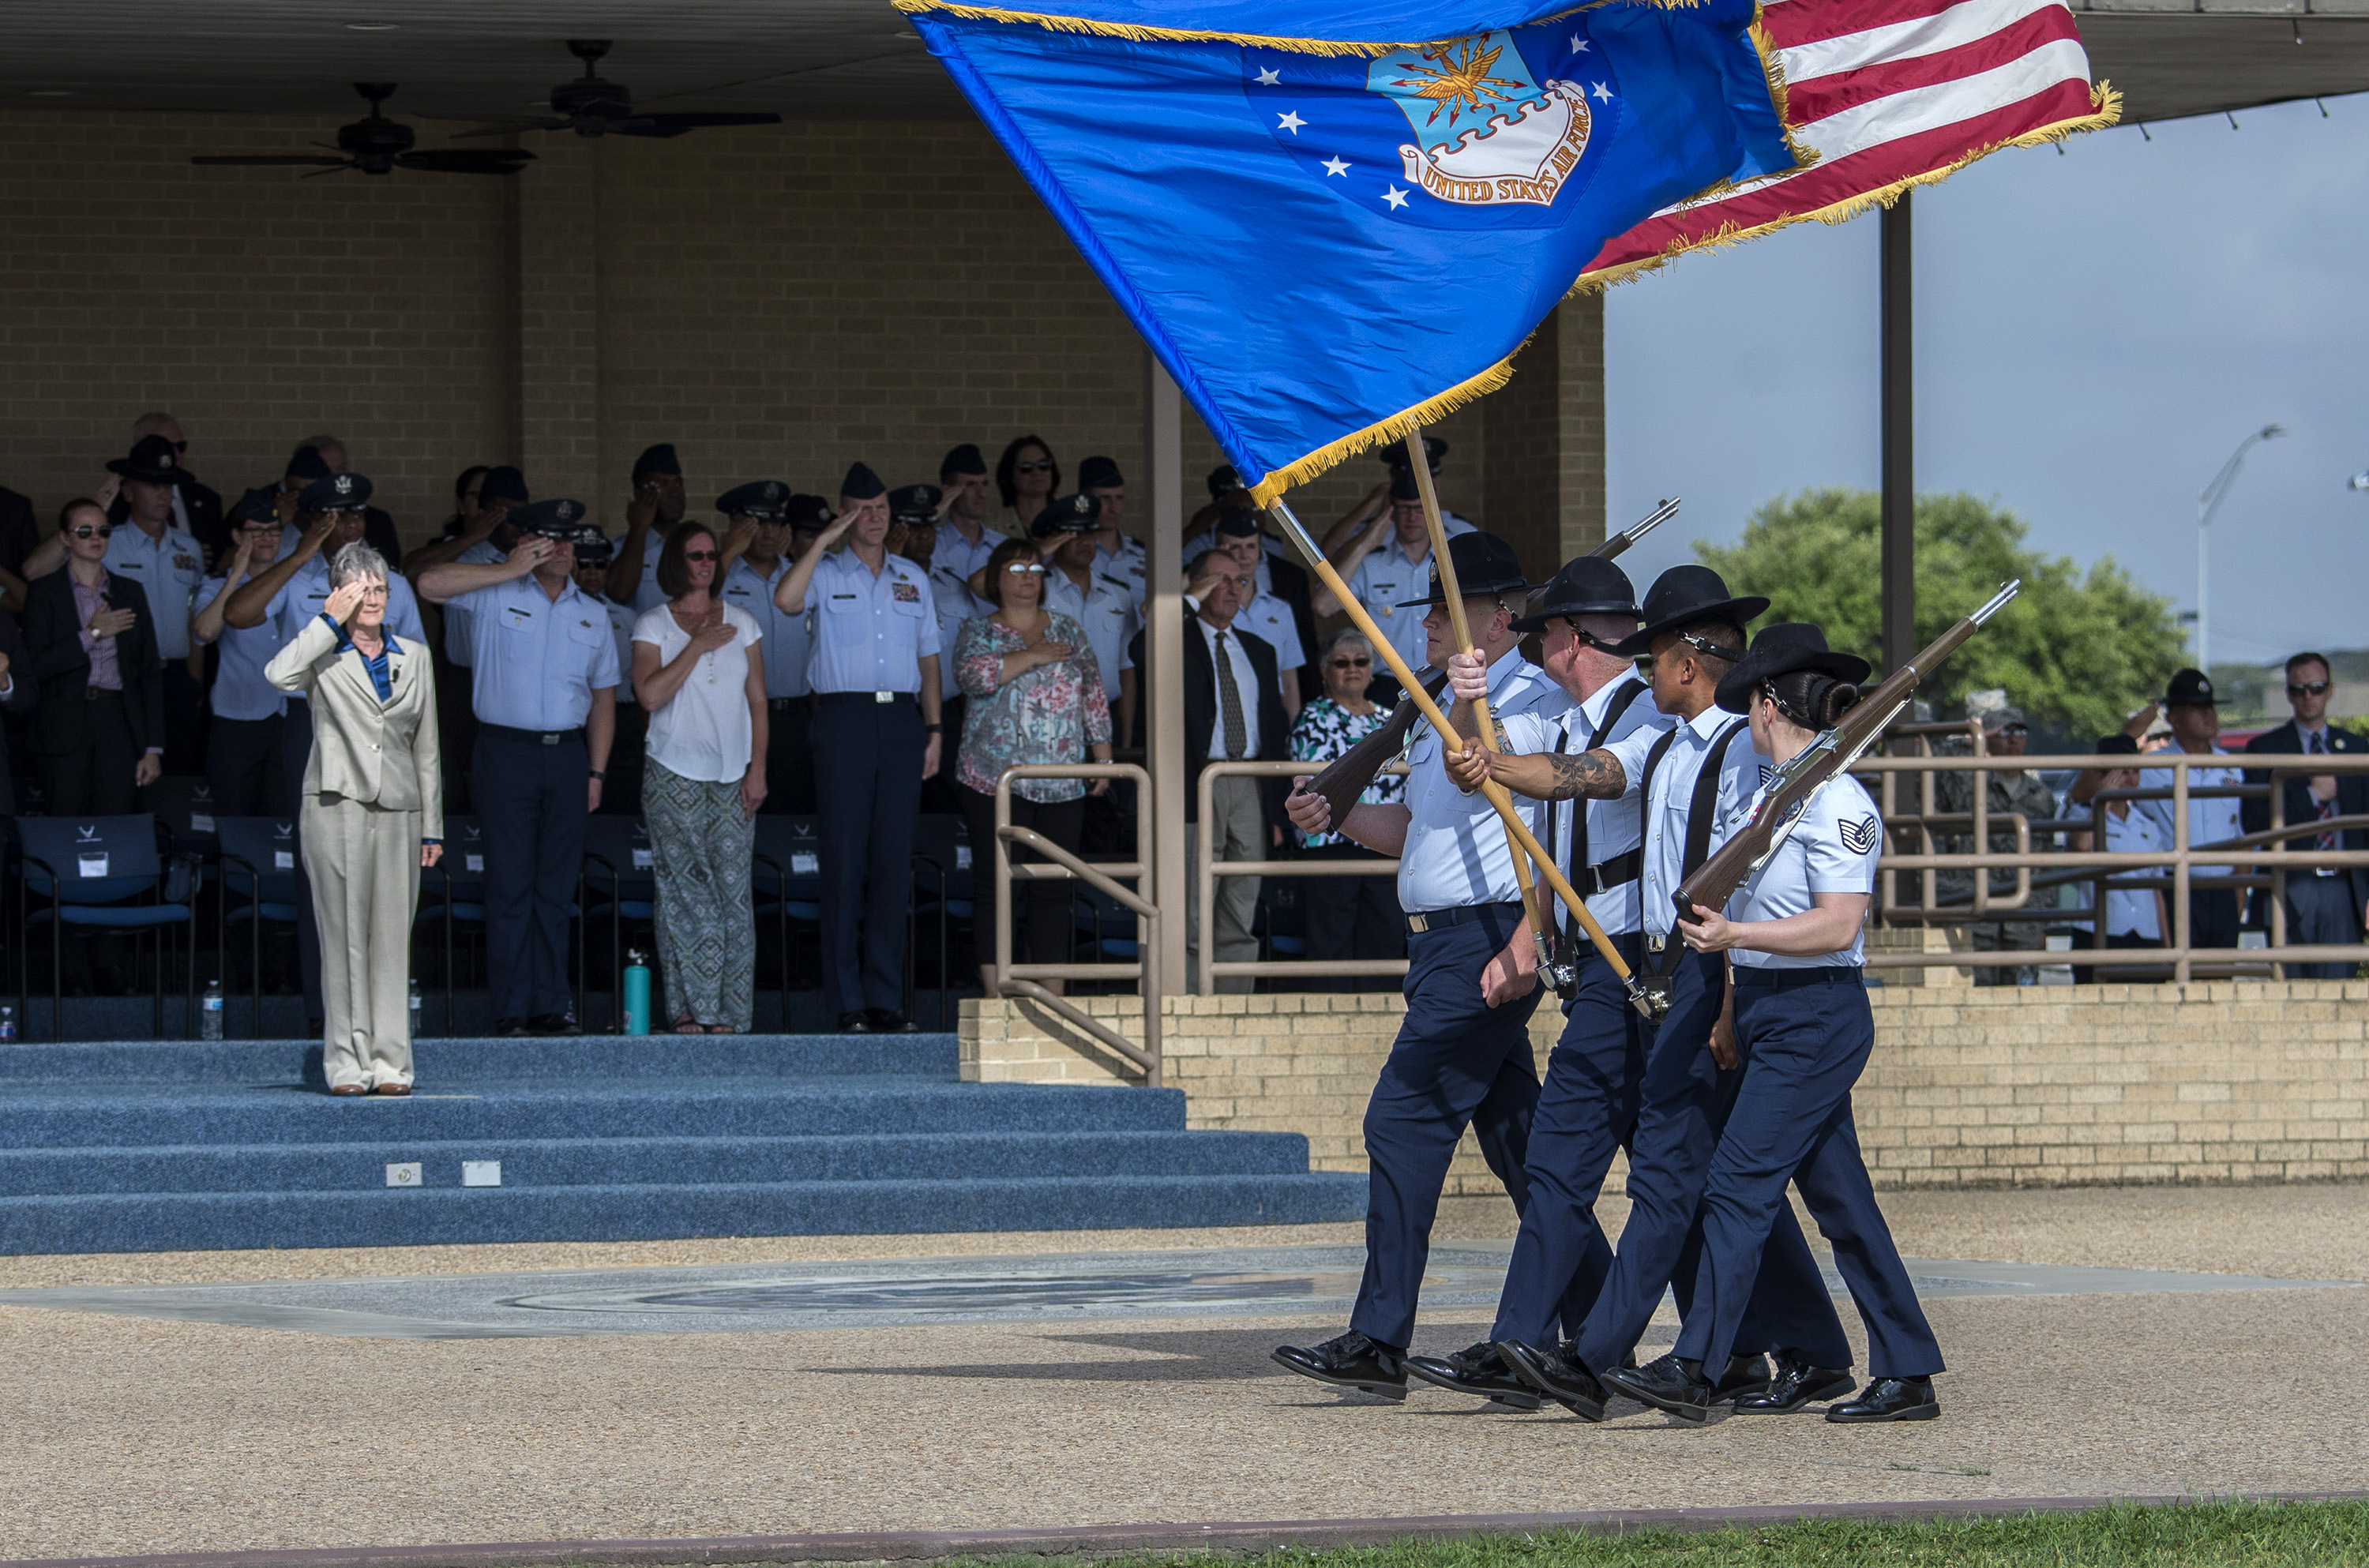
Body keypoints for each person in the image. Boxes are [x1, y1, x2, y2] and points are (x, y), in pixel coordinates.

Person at [1440, 572, 1850, 1416]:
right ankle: (1698, 1348)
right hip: (1649, 970)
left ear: (1686, 664)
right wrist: (1491, 765)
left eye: (1653, 657)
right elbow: (1581, 774)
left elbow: (1750, 884)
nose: (1644, 671)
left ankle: (1743, 1350)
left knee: (1716, 1176)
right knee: (1682, 1170)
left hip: (1709, 974)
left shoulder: (1746, 750)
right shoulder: (1660, 743)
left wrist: (1726, 999)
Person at [1612, 622, 1947, 1425]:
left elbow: (1838, 924)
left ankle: (1700, 1363)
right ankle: (1906, 1368)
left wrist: (1735, 936)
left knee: (1735, 1183)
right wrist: (1735, 996)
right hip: (1770, 1006)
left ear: (1767, 705)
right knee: (1840, 1200)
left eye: (1749, 702)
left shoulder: (1838, 801)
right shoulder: (1772, 794)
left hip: (1816, 1011)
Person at [1268, 532, 1554, 1399]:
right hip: (1436, 940)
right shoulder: (1435, 702)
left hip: (1485, 937)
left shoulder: (1531, 701)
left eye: (1446, 610)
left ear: (1498, 622)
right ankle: (1581, 1329)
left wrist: (1525, 945)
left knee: (1399, 1122)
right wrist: (1336, 814)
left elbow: (1532, 824)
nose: (1426, 623)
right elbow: (1420, 831)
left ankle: (1380, 1335)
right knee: (1523, 1146)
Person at [223, 471, 427, 1033]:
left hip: (381, 732)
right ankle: (326, 1013)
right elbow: (237, 615)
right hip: (313, 728)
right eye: (336, 517)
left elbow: (415, 667)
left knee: (382, 869)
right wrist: (300, 553)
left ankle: (380, 1014)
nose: (351, 525)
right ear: (316, 522)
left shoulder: (393, 585)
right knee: (323, 870)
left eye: (357, 514)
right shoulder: (296, 577)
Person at [417, 499, 620, 1038]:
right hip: (505, 751)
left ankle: (551, 1003)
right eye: (550, 538)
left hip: (568, 755)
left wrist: (596, 772)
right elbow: (429, 583)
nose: (563, 548)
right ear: (528, 542)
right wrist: (508, 569)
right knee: (509, 883)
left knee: (556, 887)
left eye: (569, 539)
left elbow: (603, 697)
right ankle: (510, 1007)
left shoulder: (592, 612)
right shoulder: (494, 591)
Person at [264, 544, 441, 1096]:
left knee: (391, 939)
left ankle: (391, 1064)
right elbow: (278, 675)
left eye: (380, 588)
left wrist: (432, 826)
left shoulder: (415, 655)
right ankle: (347, 1063)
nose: (373, 599)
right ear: (339, 594)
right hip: (335, 803)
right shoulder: (323, 650)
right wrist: (326, 621)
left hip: (400, 807)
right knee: (342, 937)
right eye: (361, 589)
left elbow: (427, 747)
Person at [774, 463, 944, 1035]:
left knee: (893, 862)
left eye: (882, 509)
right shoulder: (824, 572)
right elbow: (785, 601)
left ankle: (885, 997)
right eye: (863, 510)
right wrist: (822, 541)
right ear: (845, 515)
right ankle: (847, 1000)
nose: (875, 519)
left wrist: (934, 728)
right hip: (843, 718)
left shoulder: (911, 577)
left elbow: (928, 658)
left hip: (900, 720)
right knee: (844, 862)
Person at [953, 531, 1113, 995]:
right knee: (996, 886)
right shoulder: (978, 631)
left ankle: (1050, 995)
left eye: (1035, 570)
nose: (1028, 578)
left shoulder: (1068, 629)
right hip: (992, 780)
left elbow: (1092, 690)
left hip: (1062, 779)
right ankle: (996, 993)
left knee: (1054, 886)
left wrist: (1102, 755)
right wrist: (1032, 655)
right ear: (996, 579)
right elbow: (972, 676)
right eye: (1017, 569)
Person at [632, 523, 767, 1035]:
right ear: (676, 562)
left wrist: (759, 769)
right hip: (673, 772)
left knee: (733, 893)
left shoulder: (744, 622)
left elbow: (758, 702)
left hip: (733, 776)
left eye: (712, 554)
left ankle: (729, 1012)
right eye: (695, 555)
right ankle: (689, 1009)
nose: (706, 562)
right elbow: (649, 695)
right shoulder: (653, 624)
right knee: (685, 890)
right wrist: (697, 644)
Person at [23, 435, 209, 774]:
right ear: (128, 492)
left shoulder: (189, 548)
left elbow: (194, 615)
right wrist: (92, 513)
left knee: (177, 774)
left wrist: (194, 678)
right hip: (126, 678)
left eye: (168, 485)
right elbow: (34, 571)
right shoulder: (106, 539)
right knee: (125, 778)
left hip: (175, 677)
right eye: (152, 484)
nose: (163, 494)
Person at [1168, 547, 1288, 994]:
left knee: (1242, 894)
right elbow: (1140, 650)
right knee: (1193, 895)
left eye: (1240, 581)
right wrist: (1186, 600)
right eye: (1219, 580)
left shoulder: (1259, 649)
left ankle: (1234, 999)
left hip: (1251, 780)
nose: (1233, 589)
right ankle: (1188, 997)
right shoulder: (1175, 641)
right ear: (1197, 585)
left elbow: (1273, 728)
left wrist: (1276, 808)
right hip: (1200, 780)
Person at [23, 497, 166, 815]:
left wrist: (153, 748)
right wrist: (93, 633)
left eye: (103, 530)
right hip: (62, 722)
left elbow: (148, 672)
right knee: (66, 818)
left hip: (117, 718)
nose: (96, 538)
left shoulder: (129, 591)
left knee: (116, 817)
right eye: (84, 531)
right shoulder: (44, 592)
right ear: (65, 538)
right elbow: (35, 666)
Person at [1286, 628, 1406, 992]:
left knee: (1385, 934)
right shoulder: (1311, 717)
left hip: (1385, 841)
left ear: (1372, 669)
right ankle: (1330, 1011)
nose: (1352, 669)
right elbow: (1311, 780)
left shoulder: (1391, 718)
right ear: (1325, 671)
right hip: (1331, 841)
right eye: (1341, 663)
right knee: (1331, 937)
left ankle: (1379, 1011)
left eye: (1361, 661)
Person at [410, 465, 529, 813]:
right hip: (465, 681)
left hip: (513, 683)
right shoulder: (459, 552)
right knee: (459, 779)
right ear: (487, 512)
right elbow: (412, 573)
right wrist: (472, 536)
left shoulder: (530, 558)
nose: (515, 522)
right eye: (506, 512)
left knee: (505, 781)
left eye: (521, 512)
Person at [2243, 652, 2369, 978]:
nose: (2308, 696)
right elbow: (2254, 821)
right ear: (2288, 693)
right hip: (2289, 887)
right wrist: (2312, 795)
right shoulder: (2264, 749)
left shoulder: (2358, 749)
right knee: (2290, 993)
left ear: (2330, 690)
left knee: (2339, 993)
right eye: (2299, 690)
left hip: (2346, 888)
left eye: (2316, 688)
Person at [1935, 703, 2059, 985]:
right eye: (2004, 732)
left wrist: (2045, 917)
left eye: (2020, 732)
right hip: (1980, 911)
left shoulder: (2040, 796)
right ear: (1987, 738)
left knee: (2023, 994)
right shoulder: (1969, 784)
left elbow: (2046, 858)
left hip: (2026, 913)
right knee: (1980, 990)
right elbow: (1937, 765)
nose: (2014, 739)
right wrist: (1967, 741)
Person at [193, 491, 291, 817]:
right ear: (237, 536)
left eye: (273, 530)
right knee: (235, 815)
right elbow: (205, 632)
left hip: (289, 716)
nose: (266, 538)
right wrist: (235, 575)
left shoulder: (297, 581)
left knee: (284, 818)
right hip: (238, 718)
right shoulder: (216, 585)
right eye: (256, 531)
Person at [2138, 669, 2246, 959]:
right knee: (2179, 972)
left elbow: (2243, 837)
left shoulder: (2233, 767)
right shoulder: (2152, 768)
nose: (2208, 714)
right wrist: (2128, 734)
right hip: (2176, 887)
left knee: (2220, 975)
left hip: (2224, 889)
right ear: (2175, 718)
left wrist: (2238, 897)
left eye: (2210, 706)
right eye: (2197, 708)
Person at [1314, 468, 1435, 703]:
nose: (1412, 517)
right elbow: (1323, 606)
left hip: (1442, 681)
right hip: (1386, 686)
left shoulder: (1450, 563)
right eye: (1404, 509)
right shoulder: (1372, 564)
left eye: (1419, 509)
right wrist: (1367, 542)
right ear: (1392, 512)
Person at [2068, 734, 2172, 983]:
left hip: (2145, 933)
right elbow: (2081, 845)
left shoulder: (2147, 825)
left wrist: (2168, 946)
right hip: (2100, 931)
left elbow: (2156, 888)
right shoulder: (2081, 815)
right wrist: (2103, 800)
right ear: (2100, 776)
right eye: (2122, 772)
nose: (2130, 779)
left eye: (2135, 771)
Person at [569, 529, 648, 816]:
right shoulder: (559, 613)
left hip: (623, 718)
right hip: (577, 719)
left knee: (622, 800)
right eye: (584, 564)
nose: (593, 572)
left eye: (600, 564)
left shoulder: (626, 617)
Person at [1211, 508, 1308, 715]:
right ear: (1219, 551)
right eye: (1235, 547)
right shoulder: (1209, 607)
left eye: (1251, 546)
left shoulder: (1280, 609)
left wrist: (1293, 730)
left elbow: (1289, 683)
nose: (1244, 555)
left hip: (1270, 710)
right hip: (1225, 710)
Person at [109, 413, 225, 555]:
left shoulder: (207, 499)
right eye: (165, 446)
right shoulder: (115, 506)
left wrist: (192, 556)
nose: (175, 454)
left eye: (180, 446)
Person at [605, 444, 692, 615]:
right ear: (640, 493)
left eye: (678, 483)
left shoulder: (696, 546)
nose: (675, 492)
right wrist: (638, 527)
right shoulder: (618, 548)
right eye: (662, 485)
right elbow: (619, 593)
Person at [297, 435, 404, 568]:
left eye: (341, 468)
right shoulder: (298, 522)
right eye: (324, 470)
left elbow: (392, 569)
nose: (335, 476)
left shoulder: (378, 521)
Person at [1077, 455, 1147, 609]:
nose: (1113, 508)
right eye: (1104, 498)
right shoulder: (1072, 554)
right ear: (1084, 502)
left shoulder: (1144, 555)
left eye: (1119, 498)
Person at [931, 445, 1006, 585]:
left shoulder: (1003, 547)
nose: (982, 493)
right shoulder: (930, 546)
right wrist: (936, 510)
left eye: (985, 484)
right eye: (971, 484)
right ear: (949, 491)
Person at [995, 435, 1059, 538]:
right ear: (1010, 475)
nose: (1037, 472)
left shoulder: (1067, 522)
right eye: (1026, 467)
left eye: (1043, 465)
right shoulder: (994, 527)